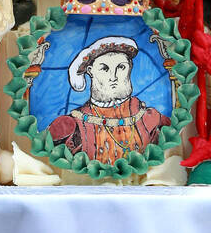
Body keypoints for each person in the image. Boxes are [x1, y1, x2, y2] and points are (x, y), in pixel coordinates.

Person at [47, 36, 169, 165]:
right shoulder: (71, 126)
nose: (113, 77)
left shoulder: (150, 119)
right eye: (104, 69)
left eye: (121, 67)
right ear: (90, 71)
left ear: (130, 68)